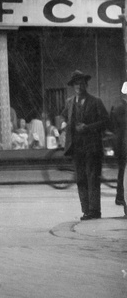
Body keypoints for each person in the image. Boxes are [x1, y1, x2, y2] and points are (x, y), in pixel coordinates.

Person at [61, 70, 109, 221]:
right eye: (76, 84)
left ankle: (95, 211)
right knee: (81, 178)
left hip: (92, 147)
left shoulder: (96, 102)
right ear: (73, 86)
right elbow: (63, 117)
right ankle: (86, 210)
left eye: (81, 83)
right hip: (76, 147)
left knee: (93, 177)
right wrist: (63, 126)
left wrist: (88, 127)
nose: (79, 86)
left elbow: (106, 122)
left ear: (86, 85)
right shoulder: (70, 103)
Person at [111, 83, 126, 210]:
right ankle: (121, 197)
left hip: (121, 146)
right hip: (124, 146)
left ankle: (120, 197)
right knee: (123, 173)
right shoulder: (122, 109)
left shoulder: (118, 108)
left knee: (122, 173)